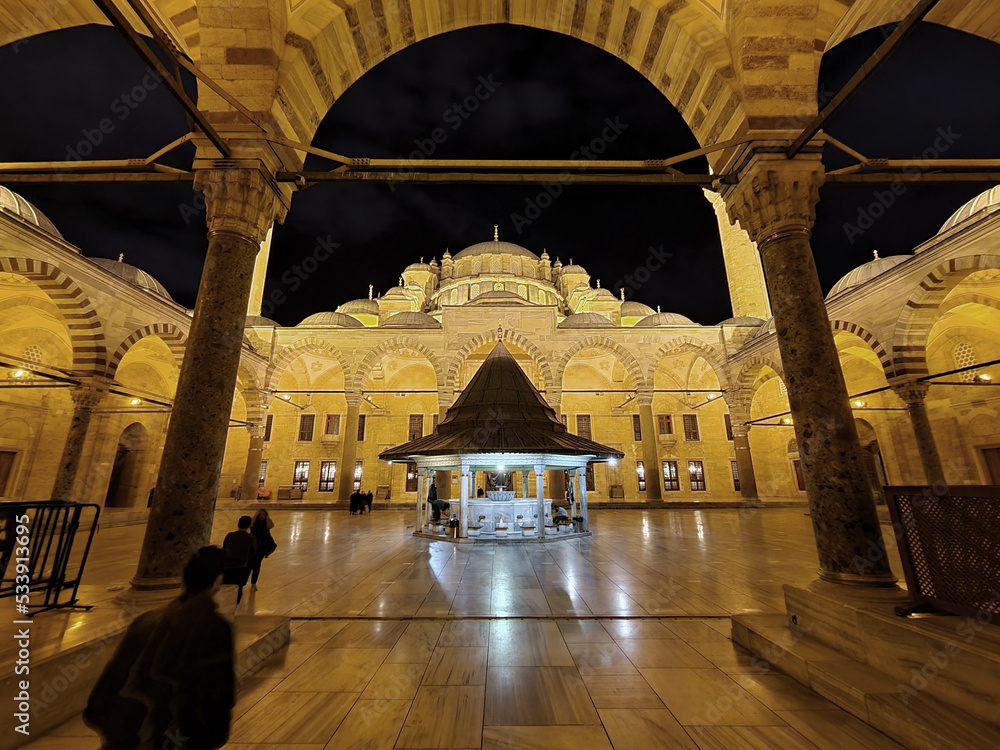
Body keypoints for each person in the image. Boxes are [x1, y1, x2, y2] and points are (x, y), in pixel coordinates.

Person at [85, 546, 234, 750]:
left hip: (126, 735)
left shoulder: (147, 620)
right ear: (217, 580)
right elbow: (215, 698)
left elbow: (109, 685)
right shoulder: (214, 627)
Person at [222, 515, 256, 604]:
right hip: (241, 567)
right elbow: (252, 555)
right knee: (238, 589)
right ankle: (234, 608)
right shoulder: (251, 538)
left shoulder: (230, 535)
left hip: (227, 566)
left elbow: (223, 550)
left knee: (226, 589)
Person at [249, 509, 277, 590]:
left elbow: (271, 526)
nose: (262, 516)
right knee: (252, 564)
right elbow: (251, 526)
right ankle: (249, 579)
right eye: (260, 514)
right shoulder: (254, 523)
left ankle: (253, 582)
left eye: (263, 514)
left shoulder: (266, 523)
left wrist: (267, 517)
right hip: (254, 544)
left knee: (257, 564)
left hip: (262, 546)